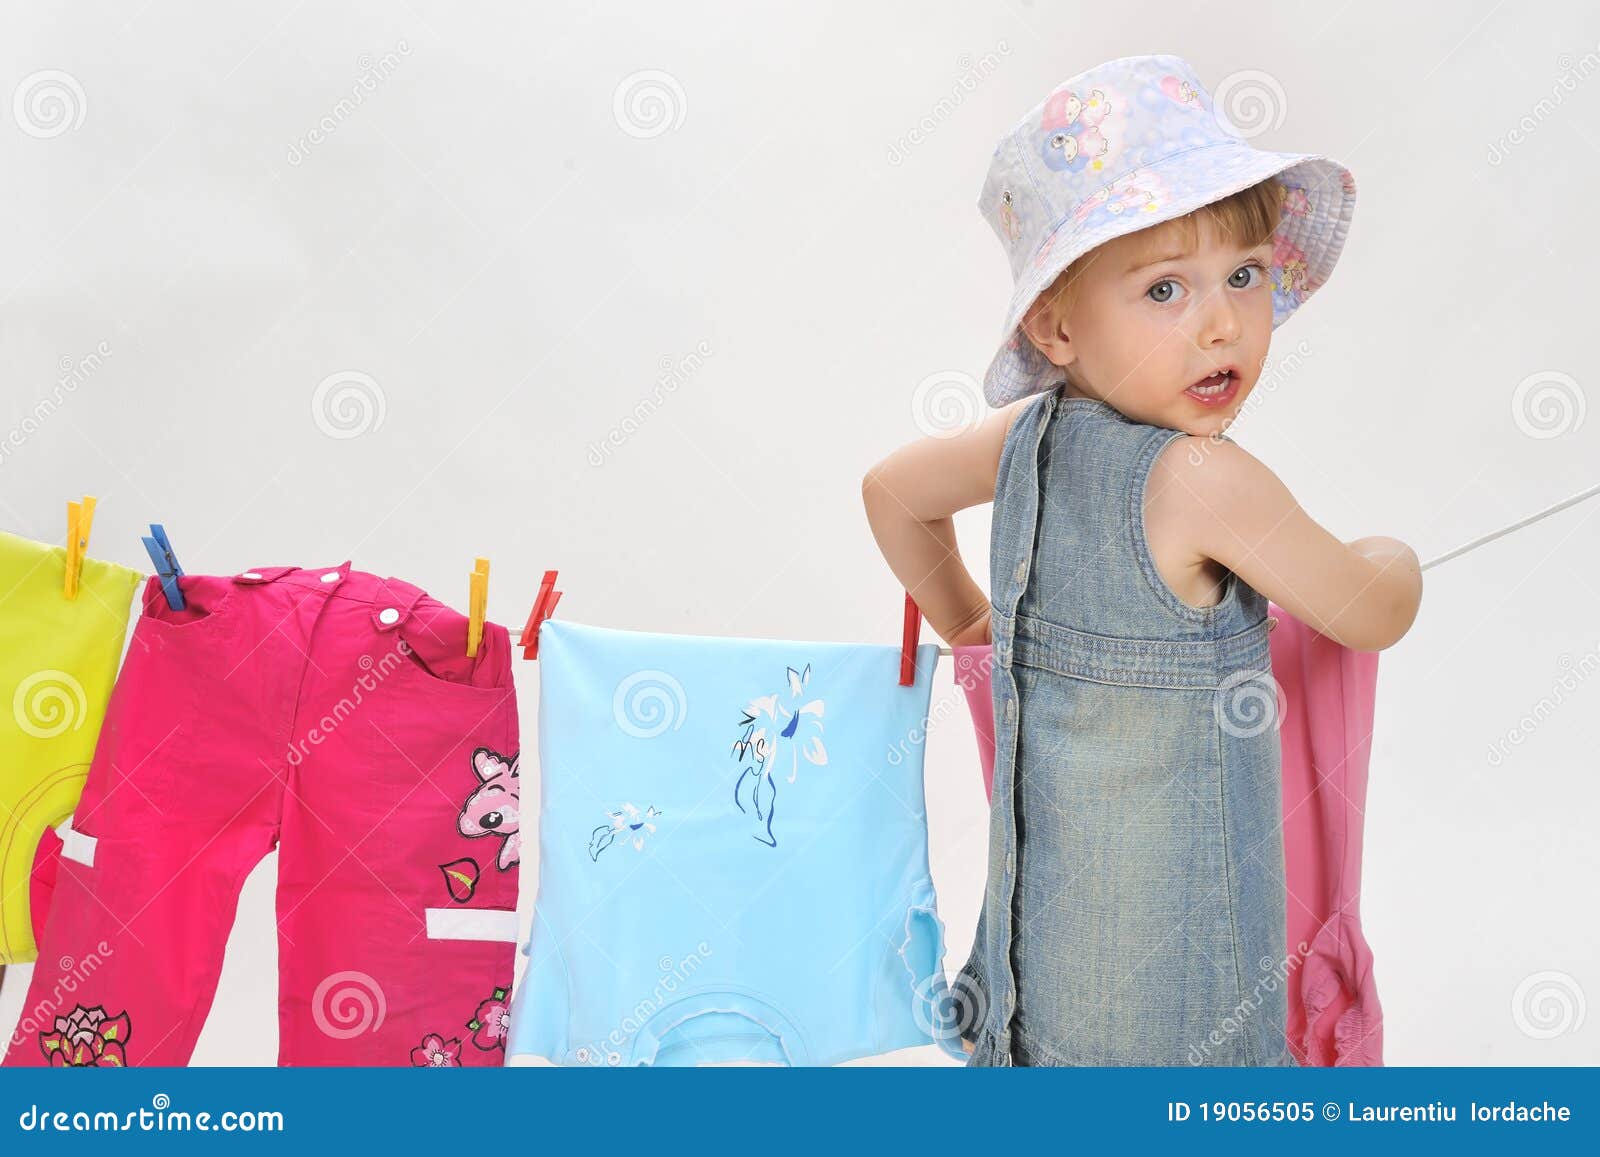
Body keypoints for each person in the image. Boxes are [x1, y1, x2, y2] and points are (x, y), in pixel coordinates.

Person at [861, 54, 1421, 1066]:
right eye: (1165, 287)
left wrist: (975, 626)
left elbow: (892, 493)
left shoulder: (1023, 441)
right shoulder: (1205, 481)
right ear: (1056, 324)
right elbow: (1367, 610)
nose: (1222, 322)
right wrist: (1390, 560)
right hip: (1180, 1017)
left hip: (1029, 988)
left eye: (1243, 274)